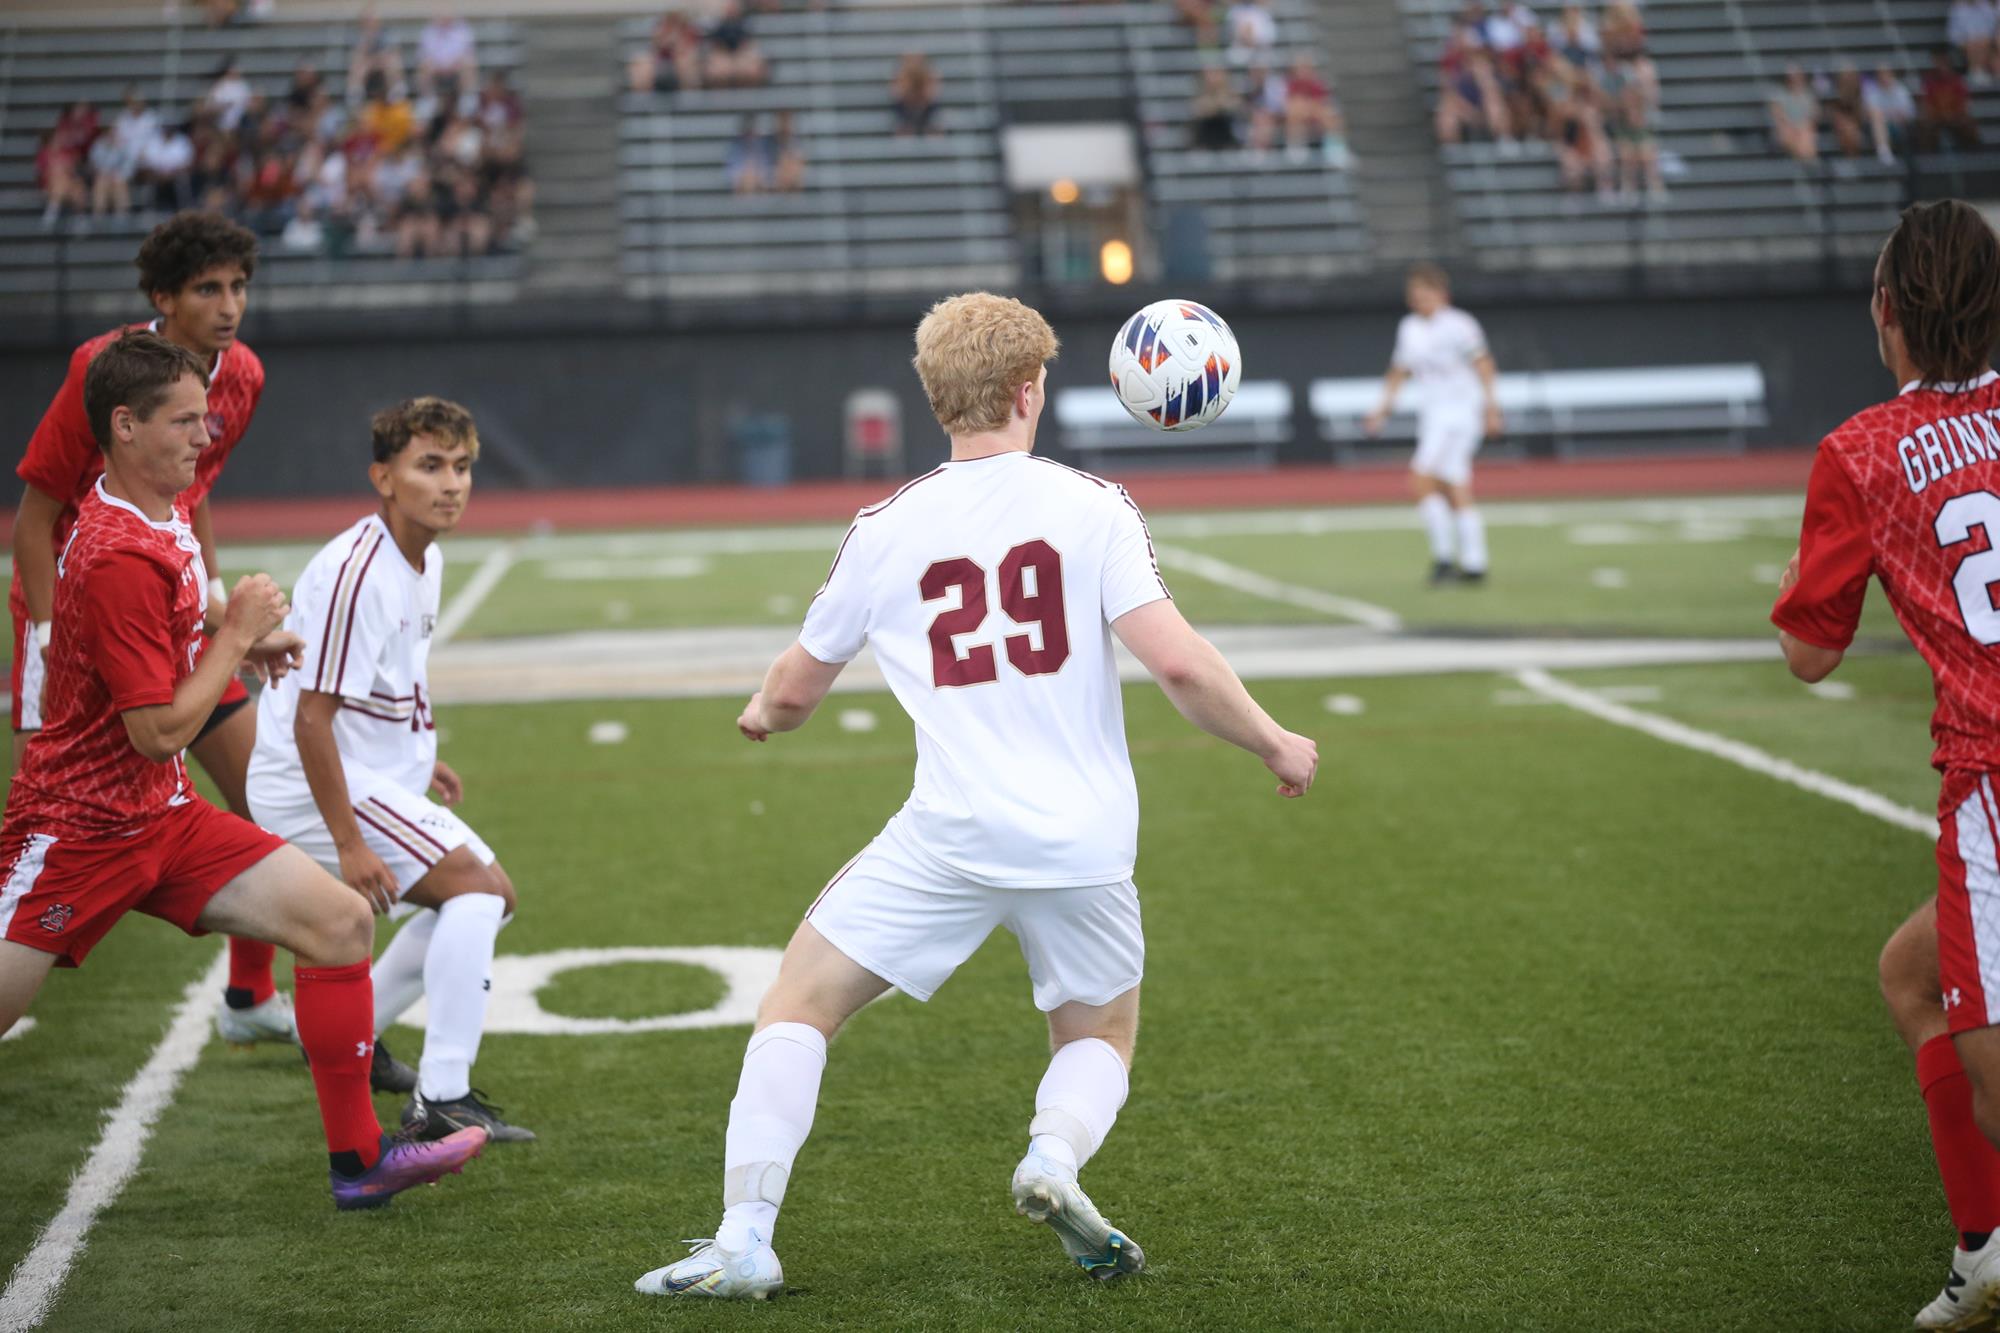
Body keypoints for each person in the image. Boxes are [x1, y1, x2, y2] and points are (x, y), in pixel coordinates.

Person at [634, 292, 1318, 1300]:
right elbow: (1177, 666)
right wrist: (1272, 740)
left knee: (799, 1003)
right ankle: (1052, 1157)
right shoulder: (1091, 505)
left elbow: (791, 687)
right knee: (1099, 1034)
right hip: (1084, 840)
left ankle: (743, 1235)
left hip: (950, 835)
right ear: (1028, 390)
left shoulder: (884, 526)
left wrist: (764, 716)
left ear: (935, 397)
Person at [0, 330, 487, 1208]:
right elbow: (155, 729)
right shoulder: (114, 549)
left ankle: (361, 1161)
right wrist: (231, 638)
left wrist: (243, 642)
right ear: (124, 426)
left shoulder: (164, 515)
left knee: (340, 922)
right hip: (76, 828)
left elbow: (160, 660)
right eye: (184, 421)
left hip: (163, 816)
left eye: (206, 416)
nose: (205, 435)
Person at [1768, 199, 2000, 1332]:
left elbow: (1810, 656)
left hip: (1992, 776)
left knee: (1993, 1081)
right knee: (1910, 977)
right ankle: (1980, 1244)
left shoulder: (1859, 451)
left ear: (1881, 314)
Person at [11, 213, 290, 1045]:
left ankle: (247, 996)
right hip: (76, 612)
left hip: (165, 607)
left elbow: (189, 499)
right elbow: (34, 519)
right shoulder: (101, 370)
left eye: (239, 286)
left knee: (257, 789)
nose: (230, 305)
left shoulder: (241, 375)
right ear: (162, 298)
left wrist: (218, 613)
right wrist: (56, 640)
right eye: (209, 288)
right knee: (54, 818)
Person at [246, 397, 531, 1141]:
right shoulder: (359, 570)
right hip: (309, 778)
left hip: (362, 768)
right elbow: (311, 718)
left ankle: (353, 1033)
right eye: (429, 465)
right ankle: (441, 1096)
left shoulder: (423, 555)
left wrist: (422, 756)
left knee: (476, 898)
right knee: (479, 889)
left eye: (462, 466)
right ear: (383, 475)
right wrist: (347, 841)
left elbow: (389, 678)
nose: (451, 484)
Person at [1363, 264, 1501, 585]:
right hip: (1434, 416)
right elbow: (1400, 370)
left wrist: (1492, 407)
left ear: (1441, 294)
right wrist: (1382, 409)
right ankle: (1474, 563)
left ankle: (1443, 558)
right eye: (1415, 294)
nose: (1419, 299)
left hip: (1459, 414)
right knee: (1454, 485)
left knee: (1421, 479)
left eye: (1425, 293)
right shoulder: (1409, 327)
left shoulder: (1459, 325)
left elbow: (1484, 365)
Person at [1919, 47, 1984, 152]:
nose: (1941, 67)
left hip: (1955, 115)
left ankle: (1975, 152)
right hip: (1937, 116)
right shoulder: (1930, 82)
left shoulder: (1956, 81)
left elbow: (1963, 102)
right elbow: (1927, 103)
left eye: (1943, 64)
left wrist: (1953, 114)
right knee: (1925, 127)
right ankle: (1929, 156)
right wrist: (1939, 114)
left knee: (1968, 125)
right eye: (1938, 64)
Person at [890, 52, 940, 137]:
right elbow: (896, 92)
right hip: (905, 111)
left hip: (925, 110)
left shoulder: (929, 75)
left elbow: (933, 93)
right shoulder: (901, 75)